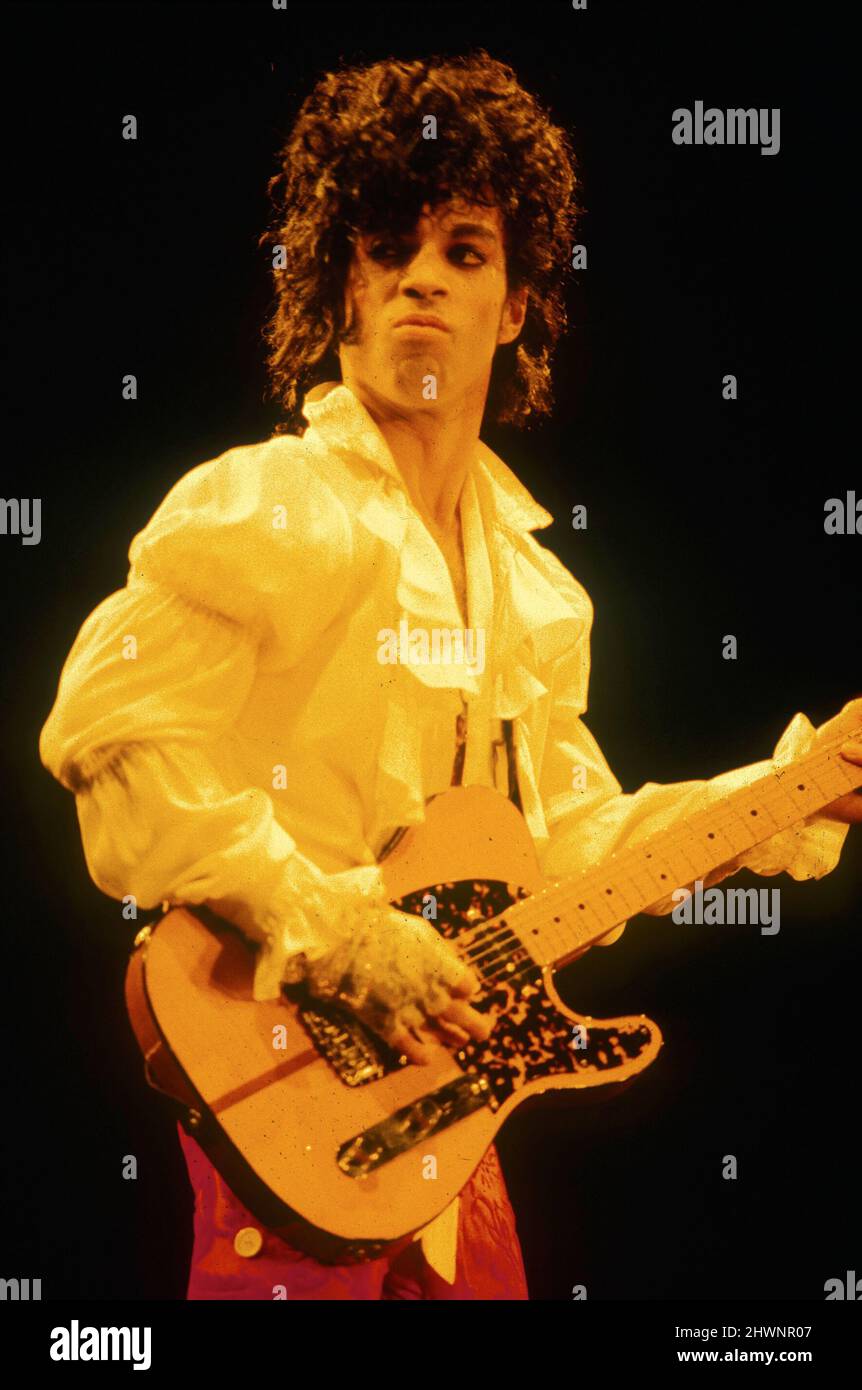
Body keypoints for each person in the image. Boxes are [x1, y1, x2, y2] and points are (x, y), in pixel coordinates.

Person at [39, 51, 862, 1301]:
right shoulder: (265, 503)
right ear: (343, 289)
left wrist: (796, 785)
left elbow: (572, 845)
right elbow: (113, 738)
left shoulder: (536, 590)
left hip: (447, 1135)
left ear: (519, 302)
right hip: (287, 1097)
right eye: (385, 248)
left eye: (466, 250)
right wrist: (343, 934)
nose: (422, 276)